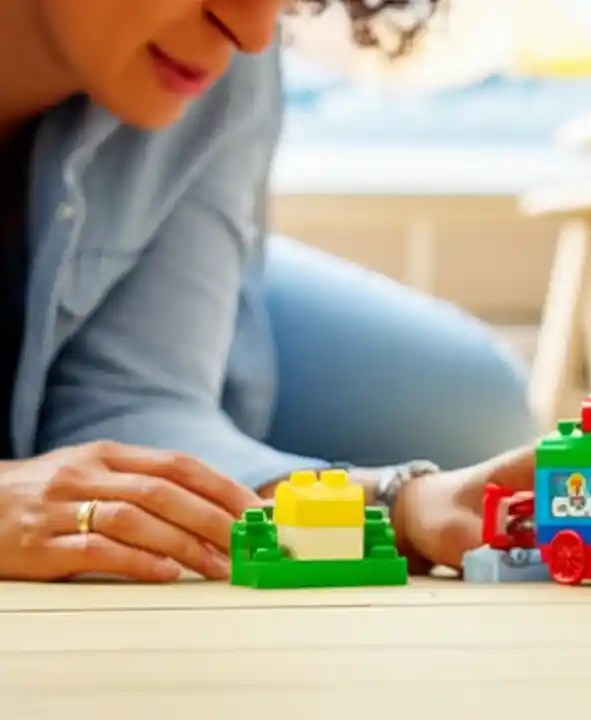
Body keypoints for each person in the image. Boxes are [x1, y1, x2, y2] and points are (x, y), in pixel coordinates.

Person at [0, 0, 540, 582]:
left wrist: (398, 504)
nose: (255, 35)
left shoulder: (216, 65)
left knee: (477, 409)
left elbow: (133, 404)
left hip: (191, 312)